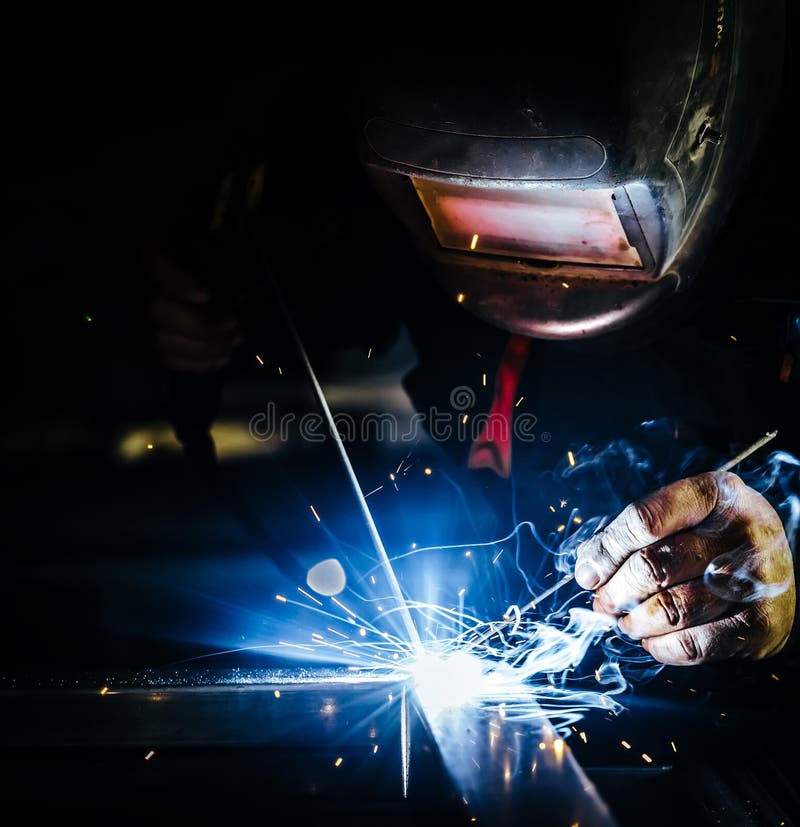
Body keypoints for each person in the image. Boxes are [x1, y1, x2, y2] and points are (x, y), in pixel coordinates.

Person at [145, 5, 798, 669]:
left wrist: (783, 552)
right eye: (471, 214)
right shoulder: (375, 140)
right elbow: (324, 283)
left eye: (583, 231)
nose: (540, 268)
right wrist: (217, 311)